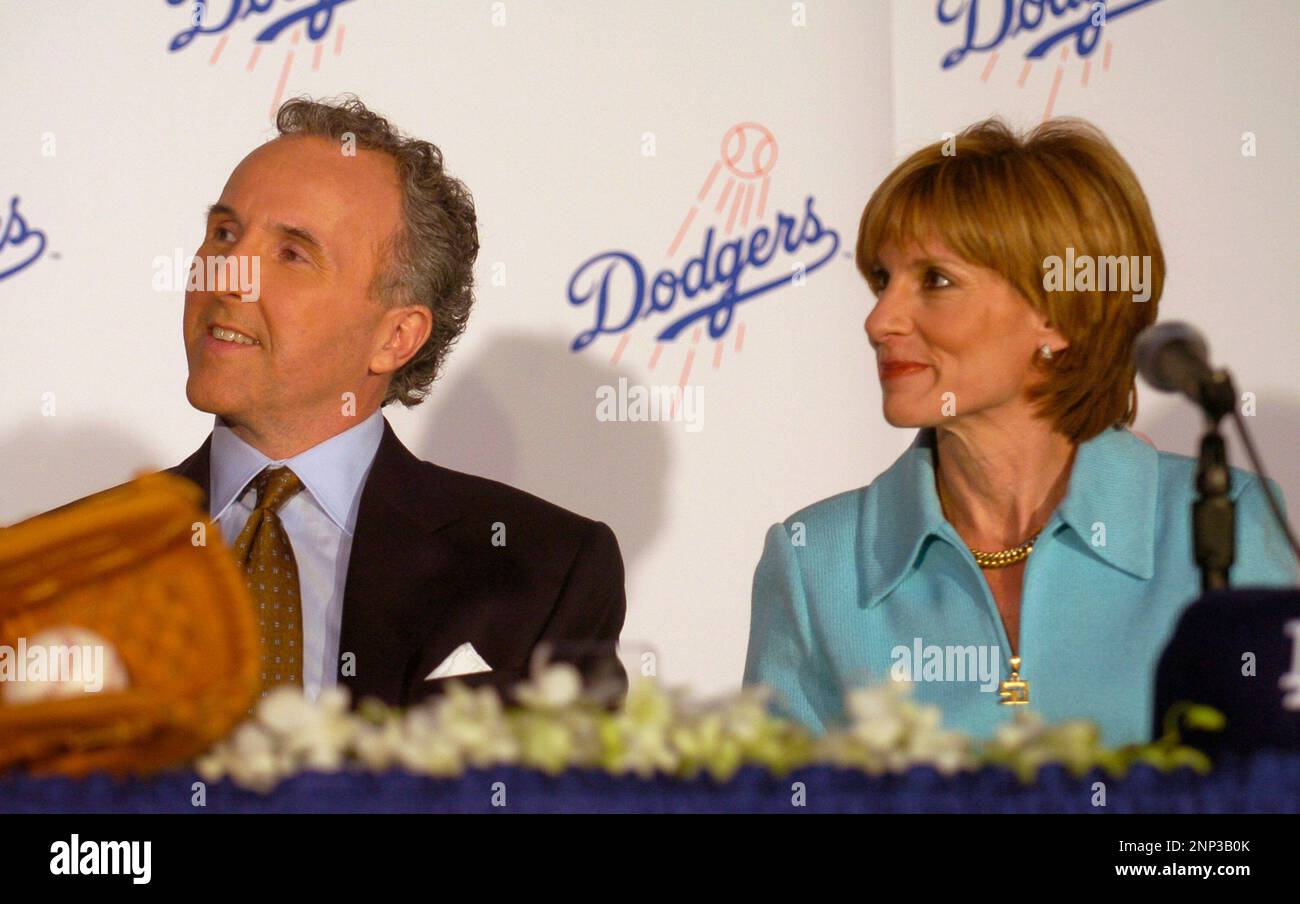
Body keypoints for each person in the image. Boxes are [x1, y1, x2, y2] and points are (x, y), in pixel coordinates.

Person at [743, 117, 1296, 745]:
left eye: (935, 280)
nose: (879, 319)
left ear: (1057, 314)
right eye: (881, 279)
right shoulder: (816, 557)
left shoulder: (1221, 522)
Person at [71, 95, 627, 708]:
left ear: (395, 337)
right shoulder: (56, 567)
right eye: (224, 234)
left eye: (291, 254)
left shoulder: (544, 568)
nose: (226, 275)